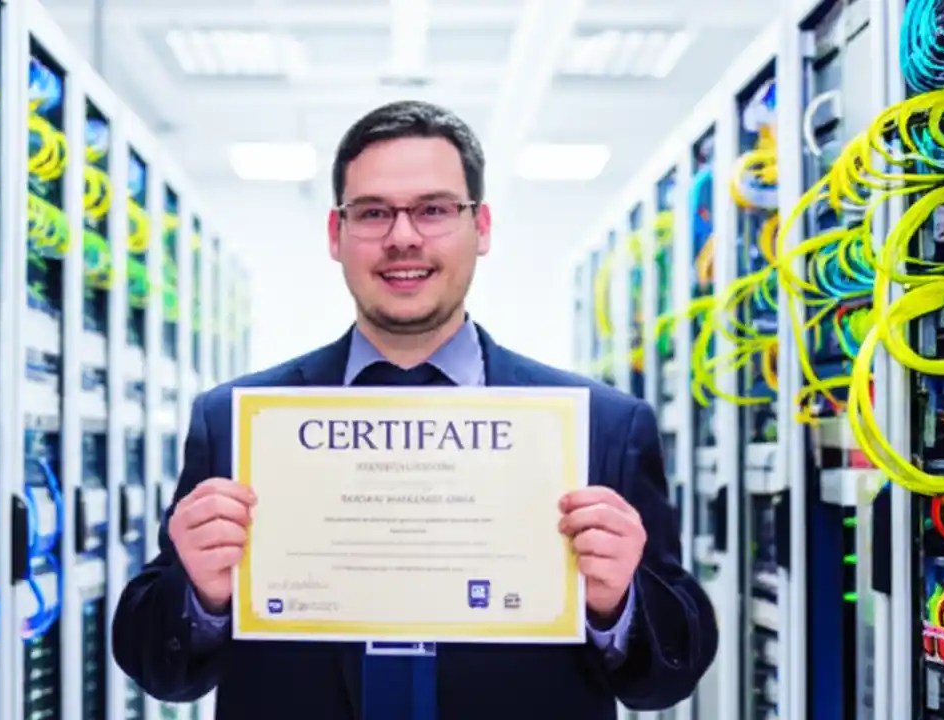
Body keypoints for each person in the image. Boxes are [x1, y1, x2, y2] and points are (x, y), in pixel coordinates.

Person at [112, 100, 718, 719]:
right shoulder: (239, 423)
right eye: (373, 213)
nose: (403, 237)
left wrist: (618, 605)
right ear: (335, 234)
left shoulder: (601, 426)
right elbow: (160, 669)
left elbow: (667, 677)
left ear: (481, 228)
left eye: (433, 210)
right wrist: (203, 599)